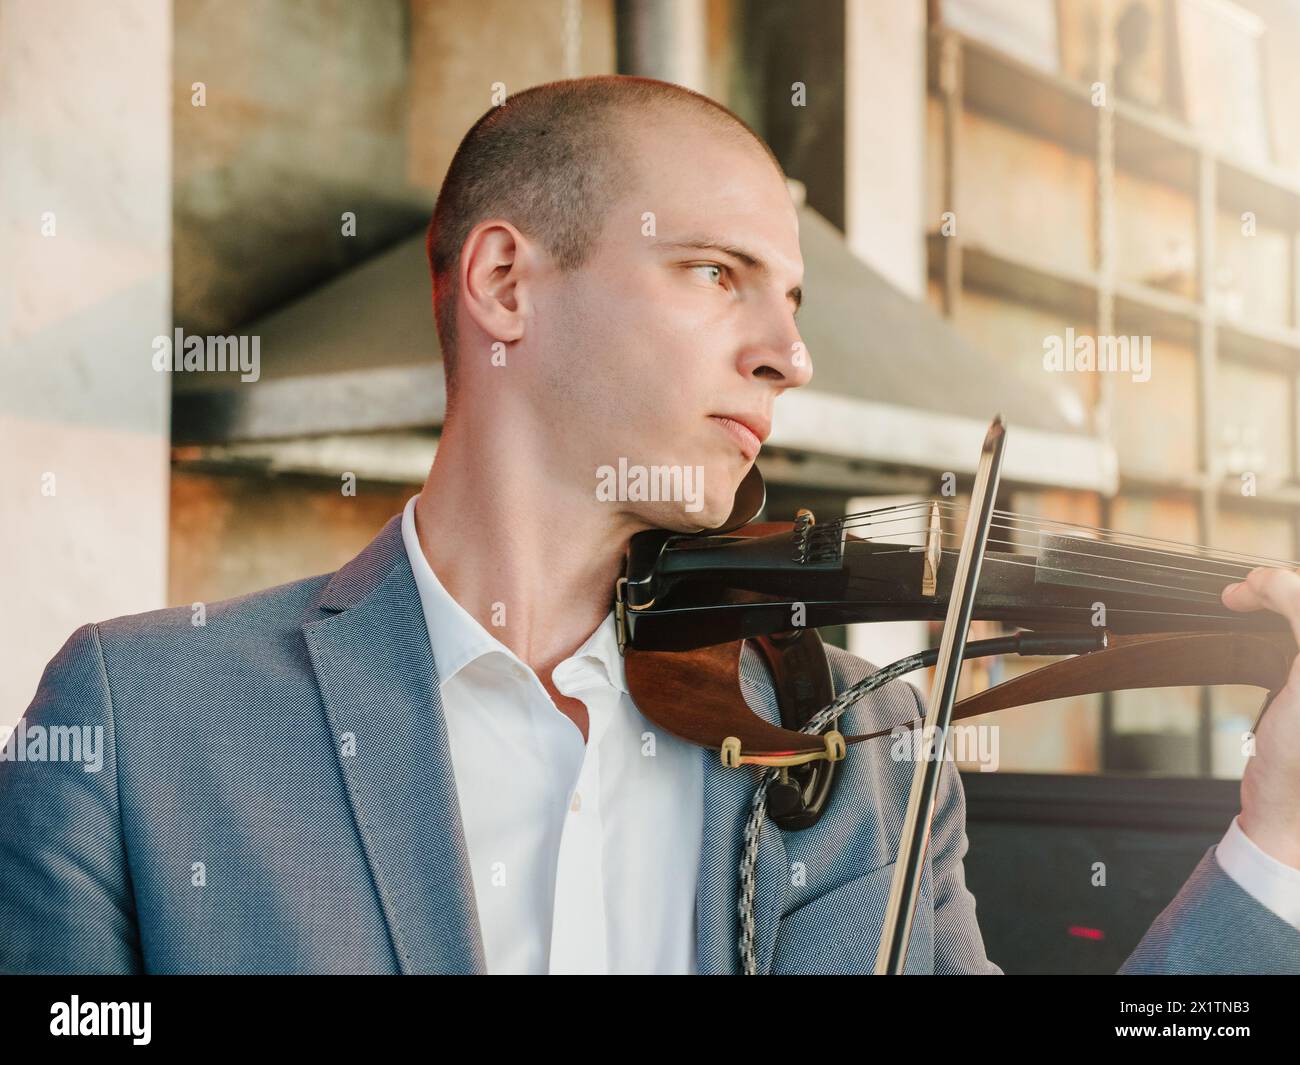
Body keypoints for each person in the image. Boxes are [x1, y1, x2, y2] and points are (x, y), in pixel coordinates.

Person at [3, 75, 1298, 974]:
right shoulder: (138, 715)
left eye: (790, 297)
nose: (789, 352)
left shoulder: (858, 736)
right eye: (717, 273)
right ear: (508, 282)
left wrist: (1278, 837)